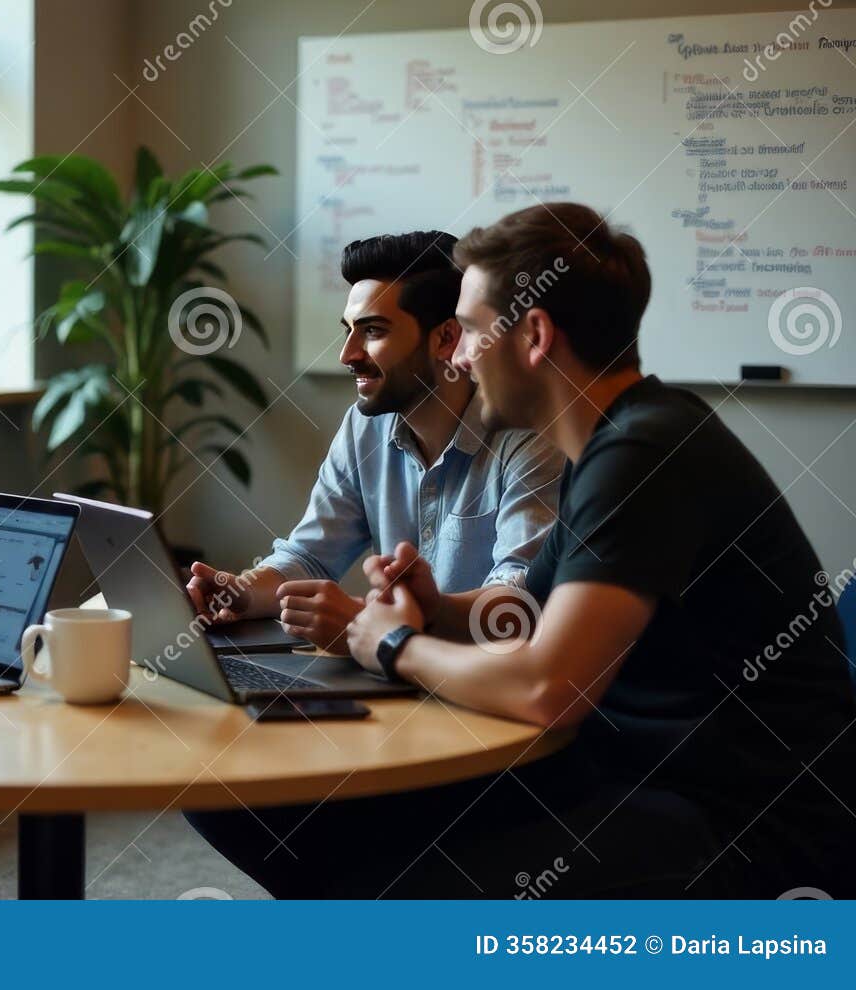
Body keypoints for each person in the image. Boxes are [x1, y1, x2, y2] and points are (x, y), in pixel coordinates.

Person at [190, 203, 856, 898]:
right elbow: (527, 617)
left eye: (472, 332)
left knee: (399, 887)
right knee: (265, 811)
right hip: (621, 767)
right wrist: (434, 605)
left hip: (740, 818)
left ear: (534, 334)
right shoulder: (610, 447)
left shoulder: (645, 454)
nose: (459, 355)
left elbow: (545, 690)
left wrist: (392, 646)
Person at [185, 231, 562, 651]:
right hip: (398, 682)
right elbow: (310, 556)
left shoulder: (529, 441)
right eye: (348, 330)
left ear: (446, 339)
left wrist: (374, 625)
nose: (347, 353)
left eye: (373, 331)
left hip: (481, 695)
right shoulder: (364, 428)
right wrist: (239, 590)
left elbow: (516, 607)